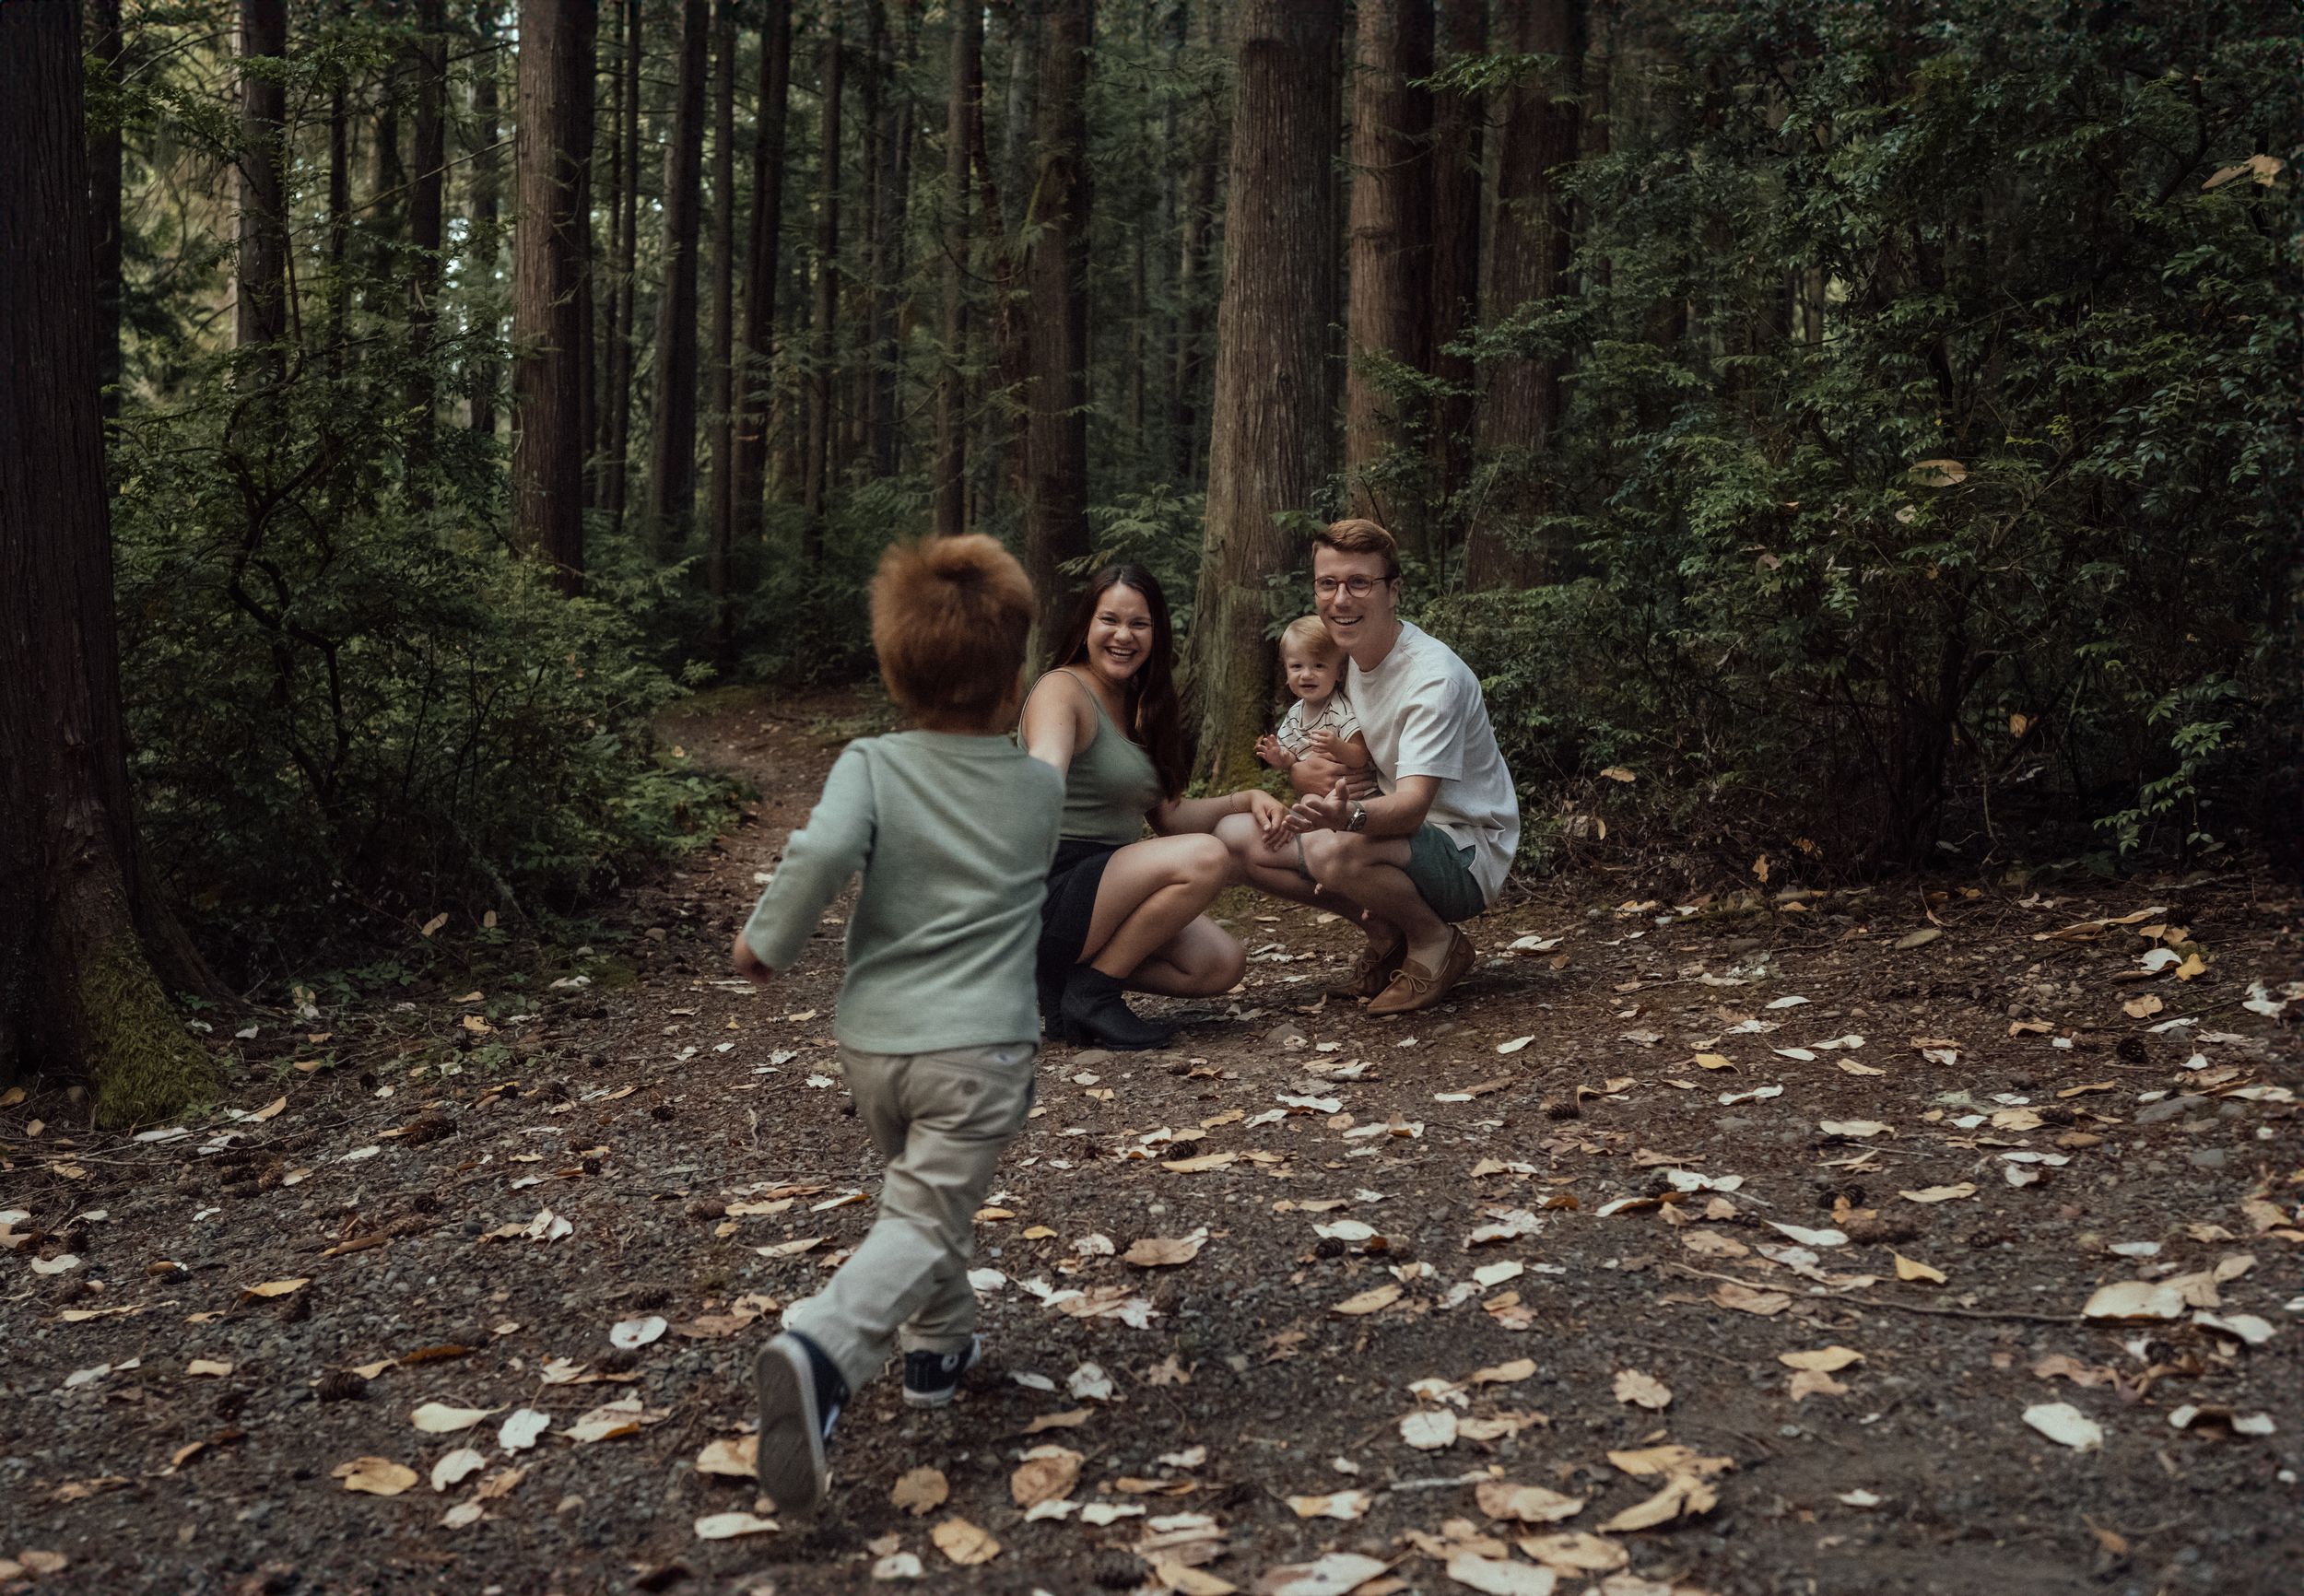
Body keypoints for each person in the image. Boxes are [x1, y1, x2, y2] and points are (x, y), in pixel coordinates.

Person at [734, 534, 1061, 1516]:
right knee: (924, 1214)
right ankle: (824, 1349)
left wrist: (766, 942)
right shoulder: (1038, 788)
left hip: (876, 1046)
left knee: (921, 1204)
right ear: (1013, 681)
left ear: (893, 672)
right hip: (981, 1047)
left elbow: (822, 848)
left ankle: (937, 1347)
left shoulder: (870, 764)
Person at [1219, 518, 1520, 1015]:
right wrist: (1302, 775)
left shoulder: (1431, 679)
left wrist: (1345, 818)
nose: (1341, 600)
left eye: (1359, 582)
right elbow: (1322, 757)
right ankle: (1386, 933)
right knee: (1237, 838)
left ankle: (1435, 941)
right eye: (1328, 583)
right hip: (1385, 826)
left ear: (1393, 590)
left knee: (1333, 851)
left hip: (1464, 849)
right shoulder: (1343, 659)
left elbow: (1413, 808)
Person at [1021, 564, 1292, 1050]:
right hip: (1048, 883)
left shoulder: (1142, 703)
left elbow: (1170, 818)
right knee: (1207, 855)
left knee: (1218, 964)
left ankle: (1064, 982)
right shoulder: (1062, 689)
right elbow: (1044, 771)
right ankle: (1093, 992)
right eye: (1109, 620)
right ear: (1085, 626)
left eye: (1139, 624)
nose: (1123, 636)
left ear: (1156, 633)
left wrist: (1247, 797)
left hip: (1103, 888)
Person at [1255, 614, 1376, 786]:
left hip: (1353, 789)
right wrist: (1280, 757)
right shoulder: (1294, 715)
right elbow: (1293, 759)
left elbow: (1360, 756)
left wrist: (1336, 746)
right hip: (1318, 789)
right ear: (1286, 671)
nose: (1306, 675)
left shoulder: (1338, 709)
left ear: (1340, 673)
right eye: (1297, 666)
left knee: (1311, 801)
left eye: (1319, 666)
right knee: (1308, 800)